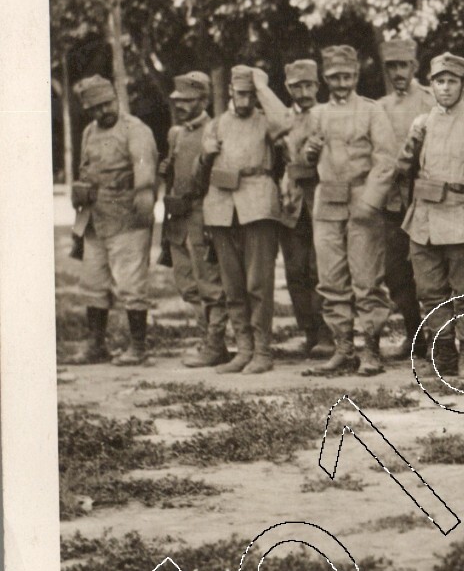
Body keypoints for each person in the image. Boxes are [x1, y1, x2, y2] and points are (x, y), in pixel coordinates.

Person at [395, 54, 464, 384]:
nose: (446, 87)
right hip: (424, 217)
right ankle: (443, 354)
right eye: (440, 81)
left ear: (463, 85)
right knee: (429, 291)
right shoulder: (421, 123)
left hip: (460, 214)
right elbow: (405, 170)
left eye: (452, 81)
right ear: (431, 84)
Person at [302, 44, 399, 377]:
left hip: (361, 202)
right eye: (333, 77)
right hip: (327, 202)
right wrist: (309, 151)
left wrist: (370, 202)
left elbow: (386, 160)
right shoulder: (317, 114)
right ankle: (343, 347)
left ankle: (371, 349)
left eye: (346, 76)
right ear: (325, 79)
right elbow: (305, 159)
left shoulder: (372, 112)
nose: (340, 83)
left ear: (356, 75)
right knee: (331, 279)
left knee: (367, 278)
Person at [200, 65, 296, 374]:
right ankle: (243, 349)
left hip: (257, 203)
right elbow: (197, 175)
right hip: (221, 208)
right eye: (240, 93)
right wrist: (205, 155)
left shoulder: (266, 122)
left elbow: (286, 121)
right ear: (229, 91)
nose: (245, 100)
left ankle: (263, 351)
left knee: (259, 283)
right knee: (233, 285)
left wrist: (262, 86)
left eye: (250, 94)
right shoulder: (215, 125)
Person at [69, 76, 159, 365]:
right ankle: (96, 344)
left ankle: (138, 346)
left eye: (107, 104)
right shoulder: (88, 132)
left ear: (116, 98)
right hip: (95, 219)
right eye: (95, 107)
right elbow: (84, 169)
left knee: (131, 284)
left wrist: (145, 195)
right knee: (93, 284)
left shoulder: (136, 130)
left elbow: (144, 167)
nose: (102, 111)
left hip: (127, 218)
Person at [161, 71, 230, 368]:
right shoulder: (176, 134)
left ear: (203, 99)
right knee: (186, 281)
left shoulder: (215, 130)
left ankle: (215, 344)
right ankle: (206, 338)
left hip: (203, 213)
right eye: (178, 101)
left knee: (210, 283)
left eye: (188, 101)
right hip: (177, 216)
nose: (181, 106)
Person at [375, 36, 434, 353]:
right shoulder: (379, 107)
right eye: (392, 66)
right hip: (393, 201)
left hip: (425, 197)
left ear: (415, 66)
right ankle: (415, 336)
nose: (398, 71)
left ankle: (444, 339)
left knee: (431, 272)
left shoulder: (430, 101)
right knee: (396, 271)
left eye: (404, 65)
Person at [275, 58, 334, 360]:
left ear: (317, 85)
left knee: (320, 268)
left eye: (309, 84)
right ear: (287, 88)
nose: (305, 91)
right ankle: (309, 332)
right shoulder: (280, 119)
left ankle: (327, 332)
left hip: (321, 198)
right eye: (298, 86)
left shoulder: (326, 115)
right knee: (296, 271)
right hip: (290, 202)